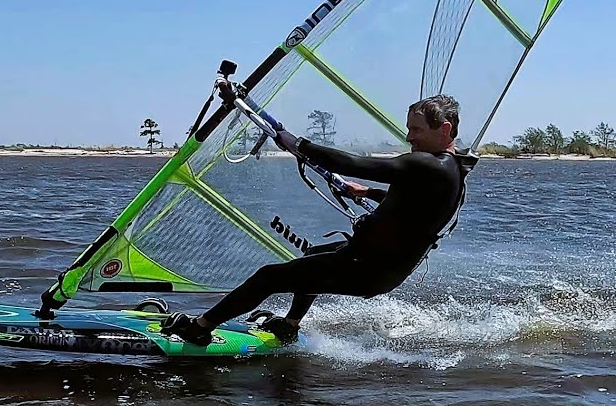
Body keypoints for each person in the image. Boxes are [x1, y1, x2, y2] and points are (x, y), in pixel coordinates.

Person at [160, 94, 476, 346]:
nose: (410, 137)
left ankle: (200, 328)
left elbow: (354, 163)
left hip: (368, 268)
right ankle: (290, 325)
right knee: (313, 256)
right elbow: (414, 203)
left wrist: (298, 144)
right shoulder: (449, 170)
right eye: (409, 128)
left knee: (268, 277)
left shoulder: (431, 166)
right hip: (376, 265)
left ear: (445, 129)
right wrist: (366, 192)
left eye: (417, 130)